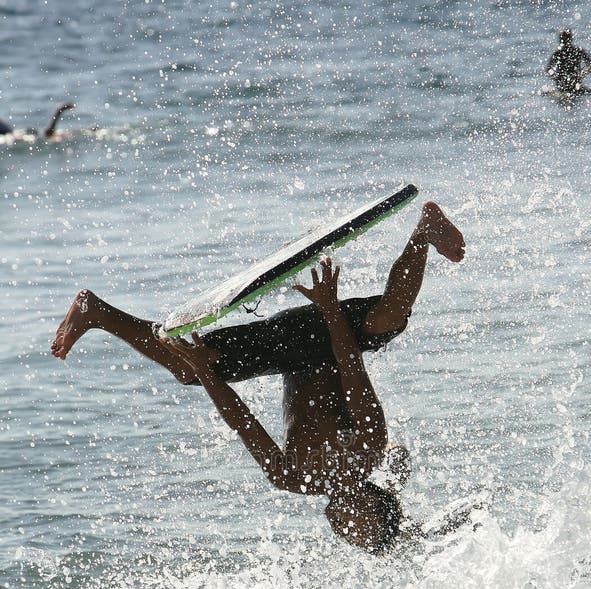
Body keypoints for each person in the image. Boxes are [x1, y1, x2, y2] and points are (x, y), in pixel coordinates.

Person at [52, 201, 466, 553]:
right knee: (392, 319)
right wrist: (328, 307)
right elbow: (352, 368)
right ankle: (424, 230)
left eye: (350, 539)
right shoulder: (369, 446)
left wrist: (204, 372)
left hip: (285, 347)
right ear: (372, 503)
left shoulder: (291, 478)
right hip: (334, 332)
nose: (344, 533)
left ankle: (96, 311)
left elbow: (242, 421)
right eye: (359, 530)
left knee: (184, 368)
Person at [546, 30, 591, 95]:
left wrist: (582, 74)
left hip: (573, 85)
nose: (565, 41)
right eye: (563, 39)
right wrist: (556, 77)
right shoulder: (558, 53)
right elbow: (548, 69)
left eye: (566, 39)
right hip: (563, 86)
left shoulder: (577, 51)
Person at [0, 102, 75, 139]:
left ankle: (58, 112)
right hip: (16, 133)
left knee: (45, 136)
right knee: (44, 136)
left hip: (14, 135)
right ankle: (58, 112)